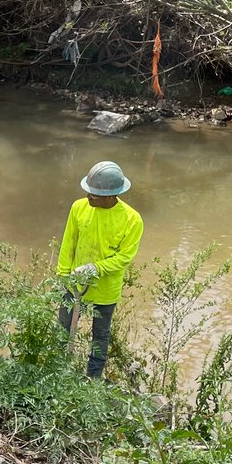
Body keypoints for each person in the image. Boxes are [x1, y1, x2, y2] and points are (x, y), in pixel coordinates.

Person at [56, 160, 144, 378]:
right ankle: (57, 373)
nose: (88, 197)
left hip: (106, 289)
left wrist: (95, 268)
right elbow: (69, 242)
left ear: (110, 196)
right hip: (75, 283)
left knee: (100, 337)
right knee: (62, 330)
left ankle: (92, 380)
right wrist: (63, 275)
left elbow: (124, 258)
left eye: (93, 195)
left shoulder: (132, 220)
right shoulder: (79, 207)